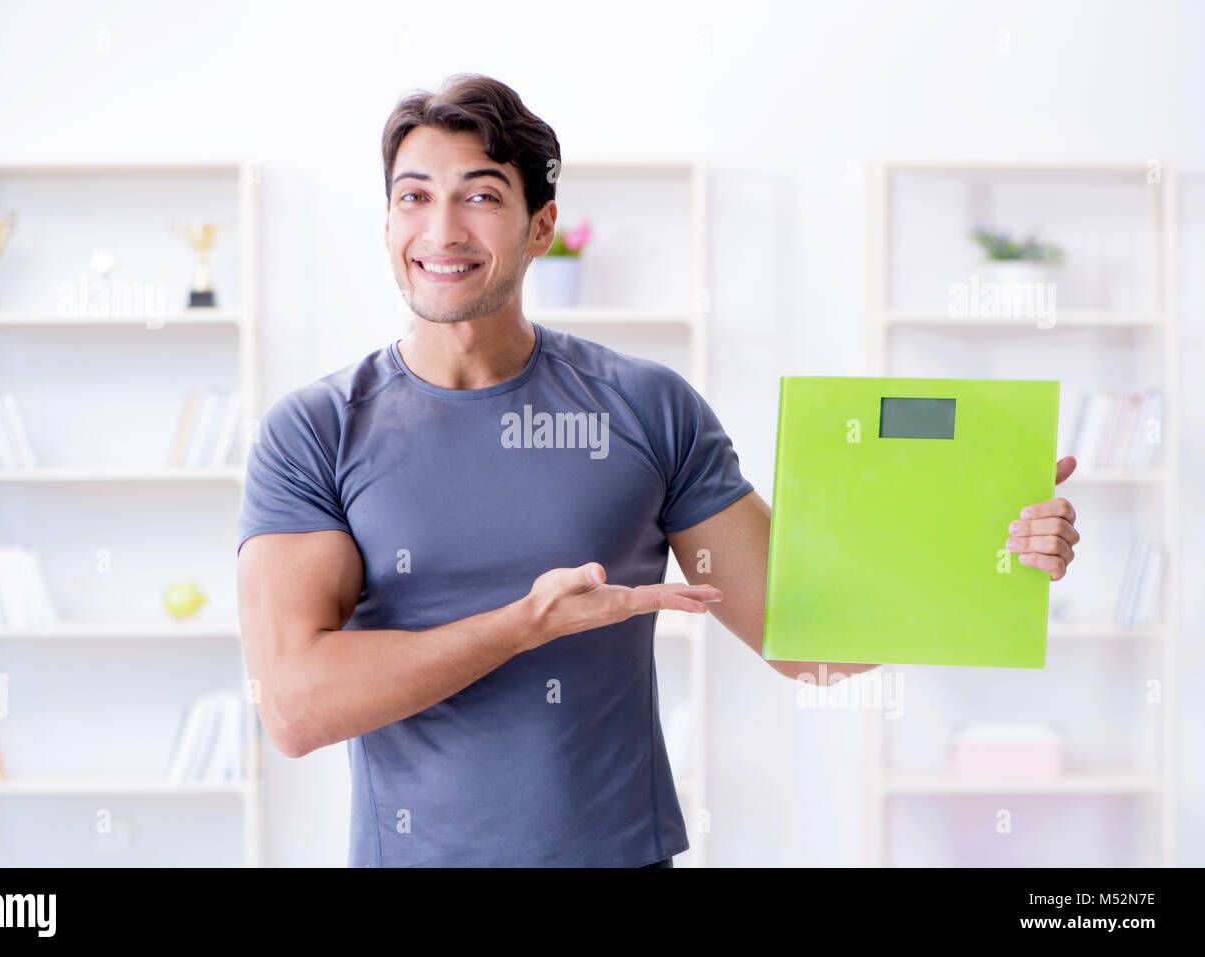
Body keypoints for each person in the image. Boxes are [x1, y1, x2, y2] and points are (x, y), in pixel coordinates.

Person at [235, 73, 1080, 867]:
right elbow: (296, 707)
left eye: (481, 195)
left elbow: (805, 640)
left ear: (540, 227)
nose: (443, 228)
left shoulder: (645, 407)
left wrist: (990, 554)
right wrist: (522, 624)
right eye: (414, 196)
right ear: (387, 224)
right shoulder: (315, 432)